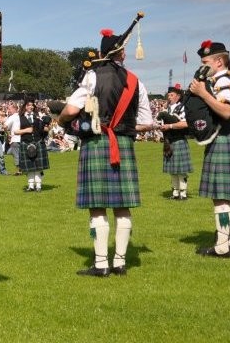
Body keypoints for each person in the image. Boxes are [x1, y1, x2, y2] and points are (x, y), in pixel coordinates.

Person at [51, 28, 150, 276]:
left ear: (101, 54)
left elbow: (71, 110)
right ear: (123, 54)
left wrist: (61, 121)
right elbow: (146, 121)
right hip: (123, 143)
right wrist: (122, 128)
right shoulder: (137, 82)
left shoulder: (92, 76)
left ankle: (101, 264)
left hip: (96, 143)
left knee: (97, 206)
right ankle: (120, 262)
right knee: (123, 206)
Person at [188, 40, 230, 258]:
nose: (202, 65)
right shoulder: (220, 80)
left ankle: (223, 246)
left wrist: (203, 94)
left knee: (222, 197)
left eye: (205, 61)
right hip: (229, 140)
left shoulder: (223, 81)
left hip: (224, 139)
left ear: (218, 61)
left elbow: (225, 112)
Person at [159, 84, 193, 200]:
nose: (169, 97)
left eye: (172, 95)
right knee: (172, 171)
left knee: (181, 171)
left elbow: (186, 123)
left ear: (178, 96)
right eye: (168, 95)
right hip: (169, 141)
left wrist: (171, 126)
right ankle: (175, 193)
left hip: (179, 140)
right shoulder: (167, 109)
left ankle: (183, 194)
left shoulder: (182, 107)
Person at [17, 100, 49, 191]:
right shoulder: (19, 118)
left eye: (32, 105)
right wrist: (26, 130)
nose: (31, 107)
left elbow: (45, 130)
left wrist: (46, 125)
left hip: (38, 142)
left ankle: (38, 186)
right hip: (25, 143)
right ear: (25, 107)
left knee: (38, 166)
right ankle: (31, 186)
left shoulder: (38, 117)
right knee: (29, 168)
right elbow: (15, 131)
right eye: (29, 105)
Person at [3, 102, 22, 175]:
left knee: (16, 155)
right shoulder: (21, 116)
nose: (8, 110)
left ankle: (18, 171)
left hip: (15, 138)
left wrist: (7, 134)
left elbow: (5, 126)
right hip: (23, 138)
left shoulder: (12, 117)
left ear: (15, 109)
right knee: (19, 154)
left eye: (9, 109)